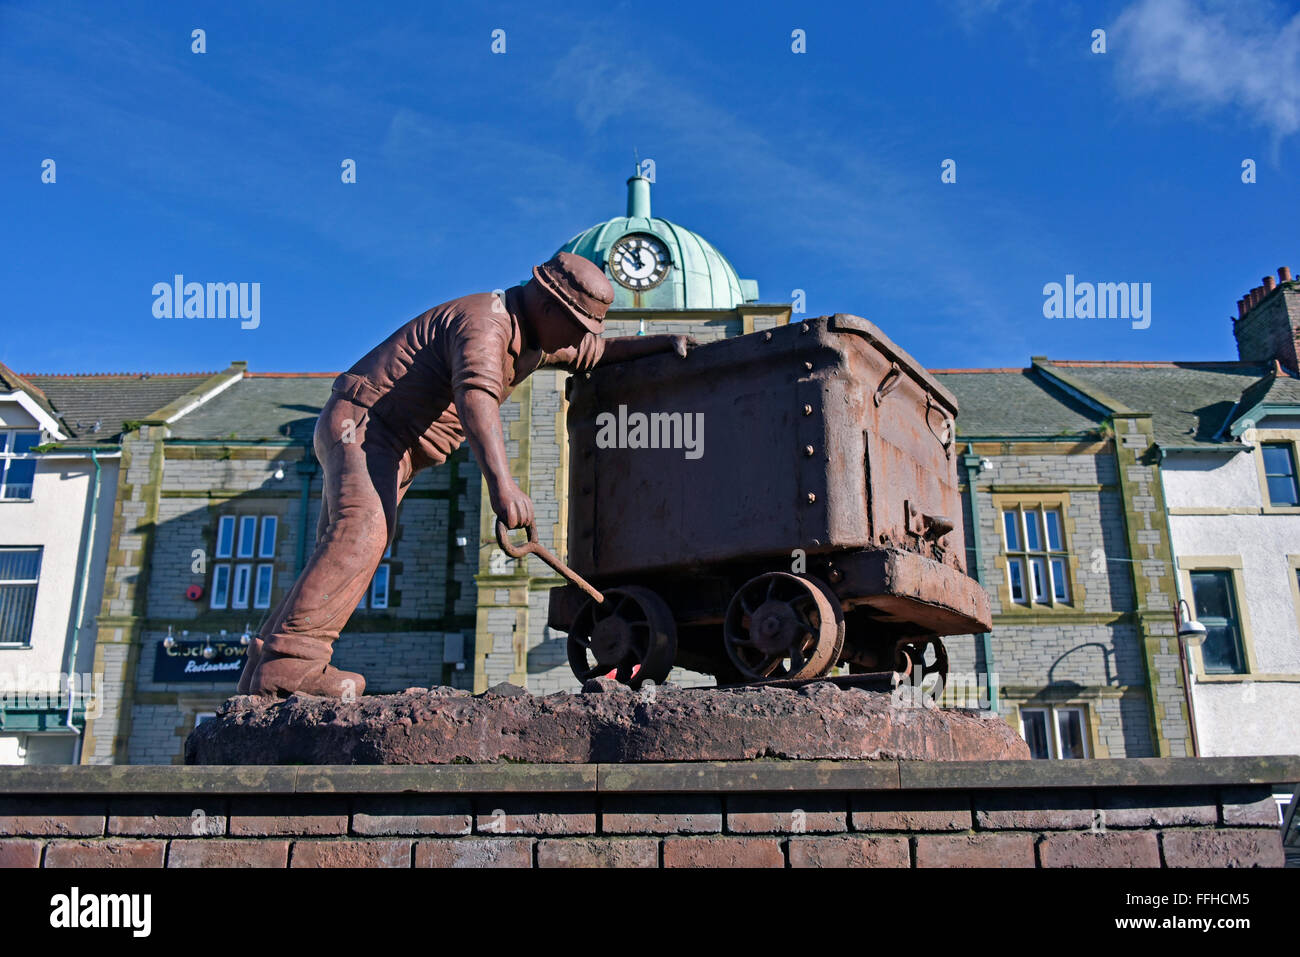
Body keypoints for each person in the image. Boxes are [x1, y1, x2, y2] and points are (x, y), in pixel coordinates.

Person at [237, 251, 690, 697]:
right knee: (361, 534)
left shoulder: (534, 335)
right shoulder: (486, 324)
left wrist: (661, 343)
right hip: (367, 428)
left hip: (391, 446)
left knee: (343, 543)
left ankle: (263, 668)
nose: (575, 339)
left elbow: (598, 352)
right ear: (549, 306)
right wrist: (503, 485)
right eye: (575, 326)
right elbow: (477, 399)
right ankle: (292, 664)